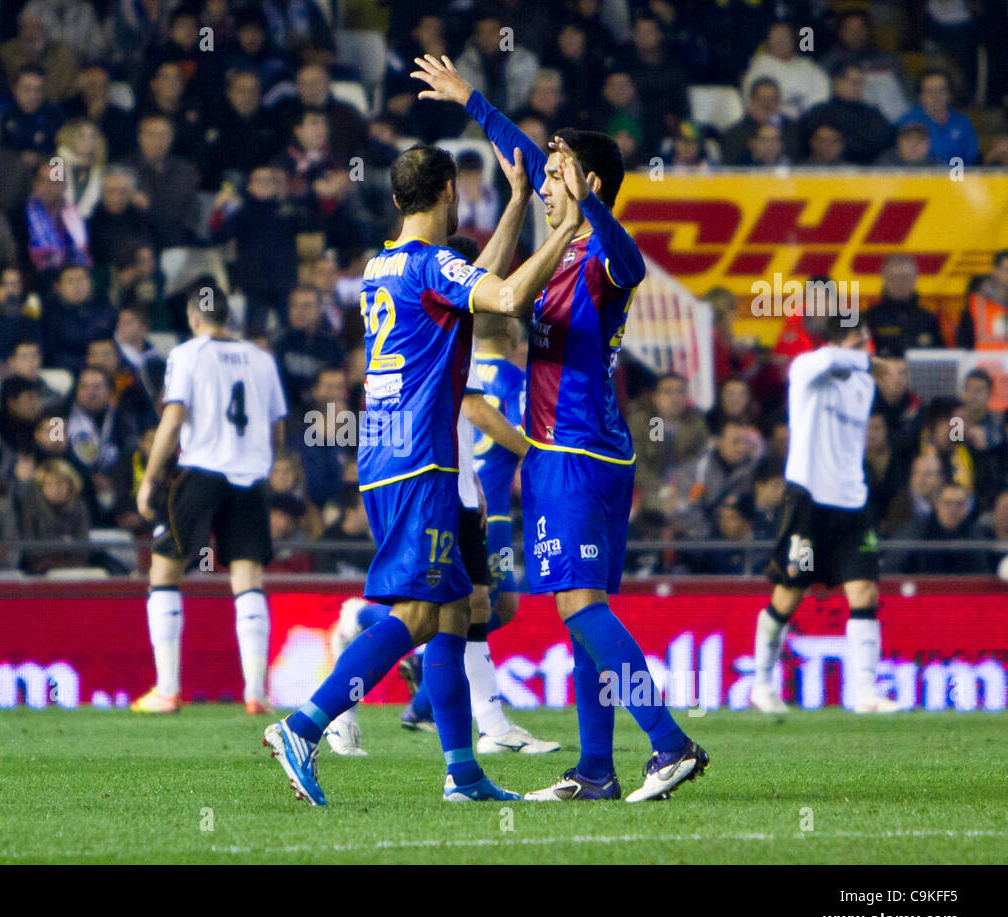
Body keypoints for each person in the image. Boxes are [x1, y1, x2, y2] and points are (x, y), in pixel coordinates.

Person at [417, 52, 709, 803]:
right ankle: (594, 770)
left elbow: (635, 265)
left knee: (579, 609)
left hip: (569, 453)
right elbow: (521, 153)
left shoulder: (599, 255)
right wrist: (471, 100)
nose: (542, 183)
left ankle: (669, 744)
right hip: (594, 455)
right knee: (588, 617)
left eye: (558, 176)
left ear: (591, 187)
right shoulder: (564, 247)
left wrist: (593, 206)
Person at [264, 135, 582, 807]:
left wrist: (521, 201)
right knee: (414, 615)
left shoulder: (385, 267)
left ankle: (463, 774)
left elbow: (478, 285)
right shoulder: (433, 265)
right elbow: (505, 296)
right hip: (420, 457)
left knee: (455, 609)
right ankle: (303, 725)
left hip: (387, 451)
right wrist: (565, 232)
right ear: (448, 192)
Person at [133, 287, 287, 715]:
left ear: (193, 316)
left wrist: (149, 479)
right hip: (250, 478)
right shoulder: (262, 359)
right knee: (247, 579)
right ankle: (256, 692)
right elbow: (278, 431)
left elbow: (174, 416)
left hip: (201, 472)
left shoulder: (187, 354)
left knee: (165, 570)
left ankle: (167, 690)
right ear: (229, 315)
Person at [749, 320, 905, 715]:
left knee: (865, 592)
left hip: (852, 504)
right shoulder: (807, 370)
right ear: (840, 342)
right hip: (808, 501)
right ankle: (762, 683)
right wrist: (867, 361)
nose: (867, 348)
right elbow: (832, 359)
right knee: (789, 594)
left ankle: (865, 692)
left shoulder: (864, 385)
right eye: (860, 341)